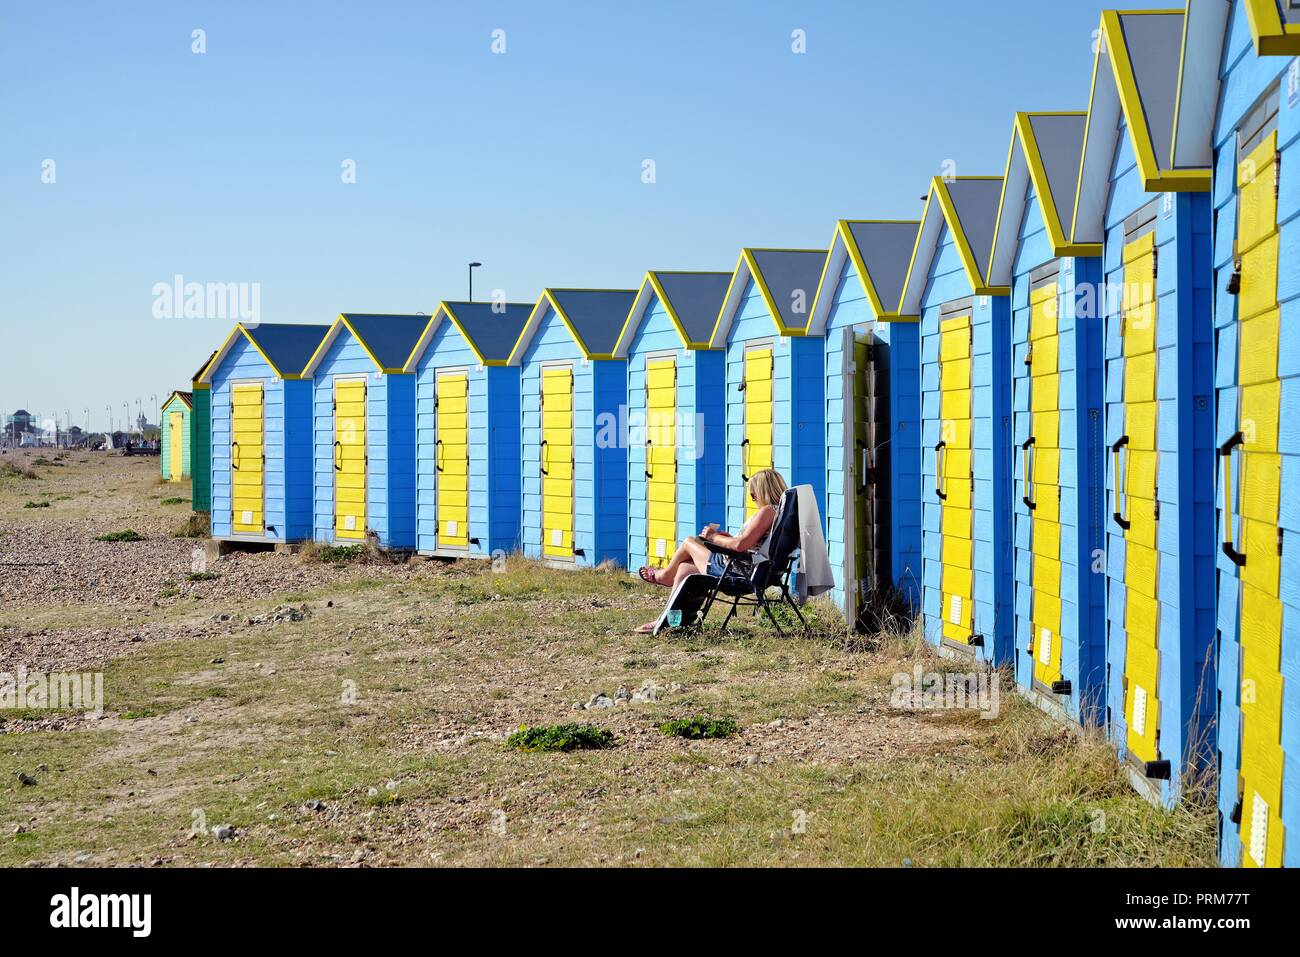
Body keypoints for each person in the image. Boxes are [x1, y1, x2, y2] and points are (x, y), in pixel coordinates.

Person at [634, 469, 787, 632]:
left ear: (764, 491)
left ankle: (663, 576)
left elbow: (740, 545)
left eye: (753, 493)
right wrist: (728, 539)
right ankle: (667, 620)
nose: (752, 498)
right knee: (685, 568)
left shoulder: (767, 511)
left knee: (689, 542)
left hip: (735, 572)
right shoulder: (781, 513)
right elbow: (748, 543)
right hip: (755, 570)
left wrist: (713, 537)